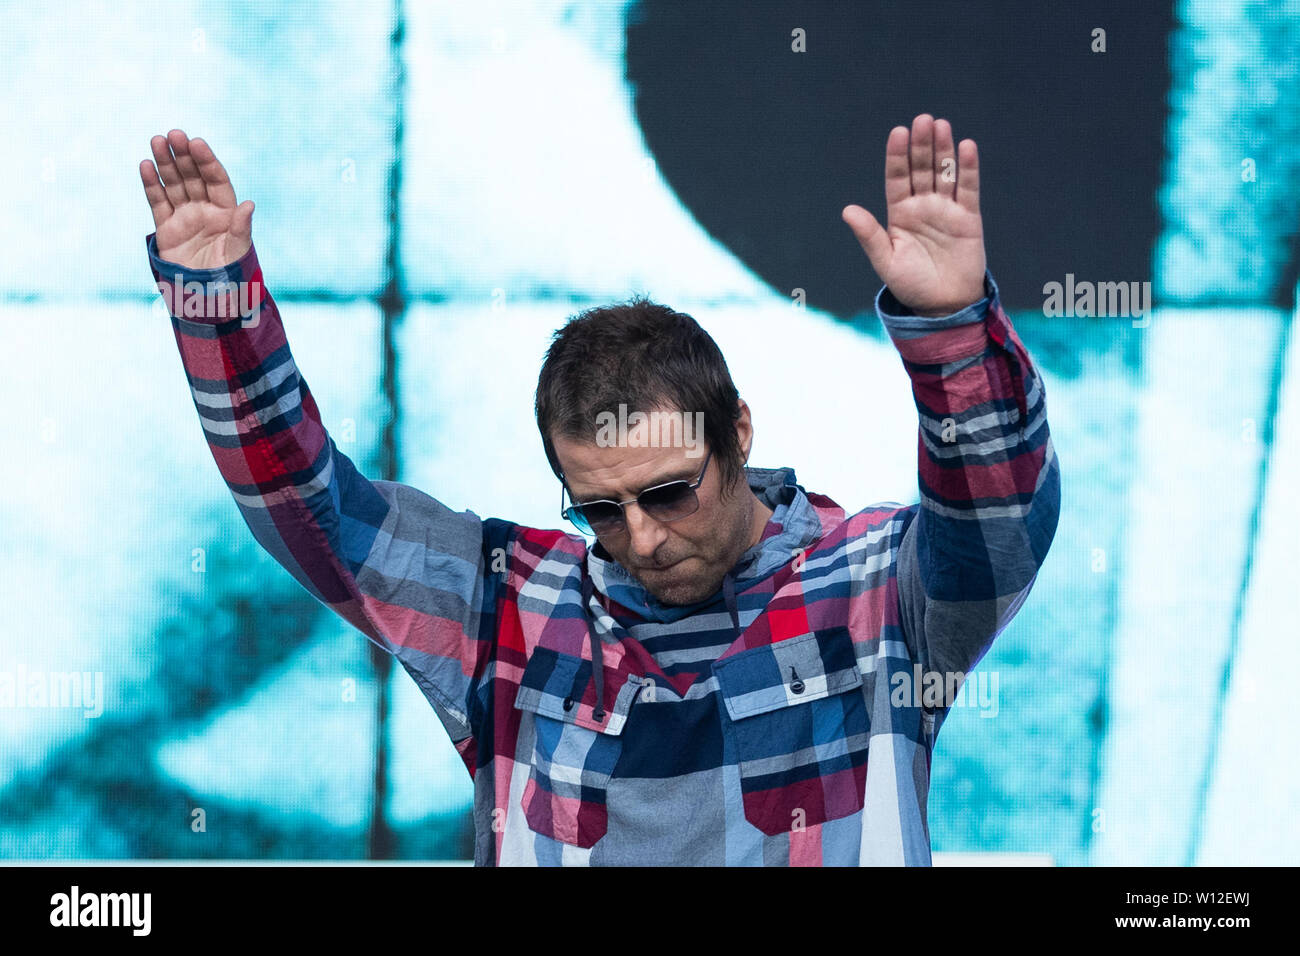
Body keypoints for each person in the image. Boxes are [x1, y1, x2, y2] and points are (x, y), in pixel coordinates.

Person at [139, 115, 1059, 866]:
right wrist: (218, 306)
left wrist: (951, 329)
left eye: (670, 494)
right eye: (601, 511)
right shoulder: (510, 605)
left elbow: (1000, 527)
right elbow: (312, 511)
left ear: (737, 432)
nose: (644, 539)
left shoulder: (875, 590)